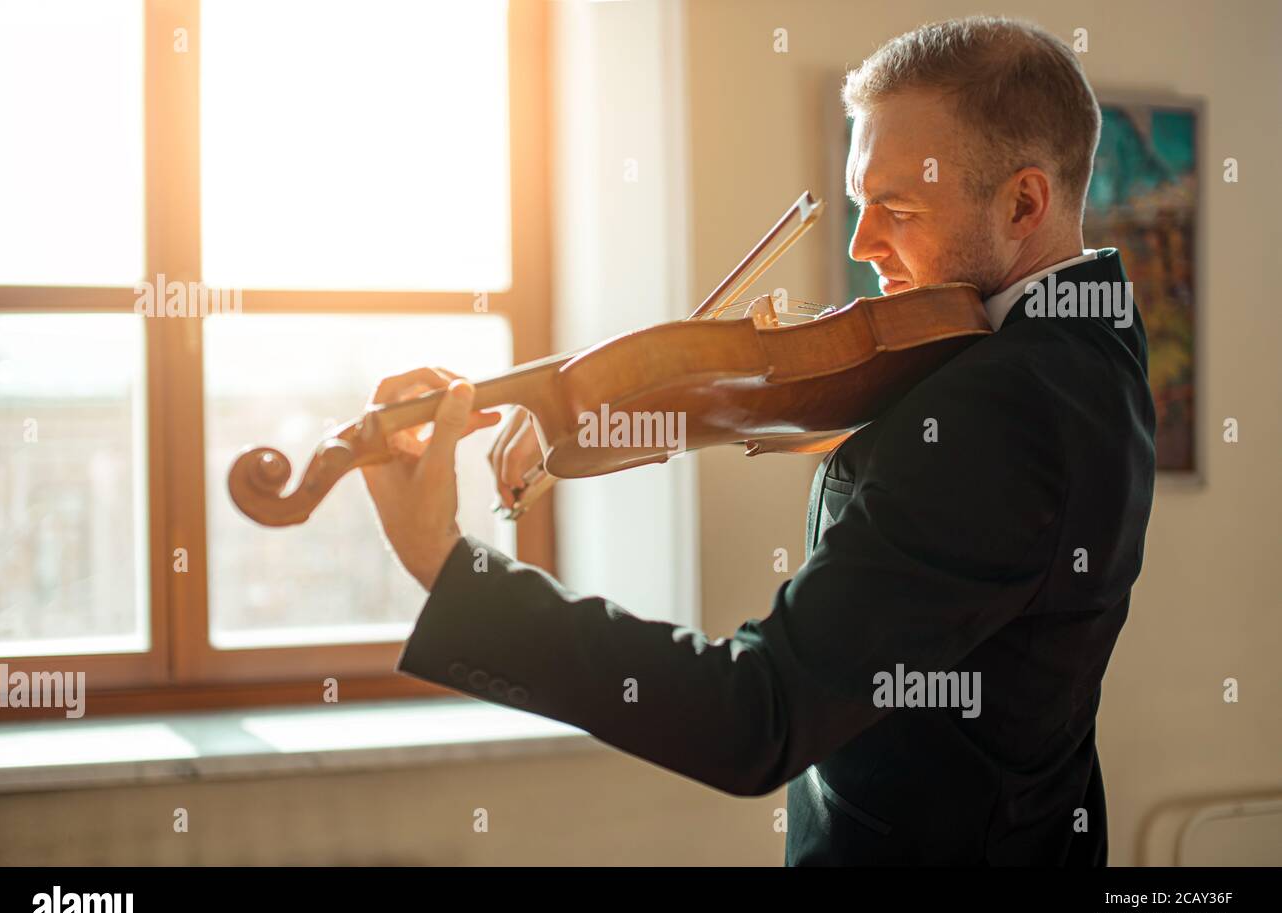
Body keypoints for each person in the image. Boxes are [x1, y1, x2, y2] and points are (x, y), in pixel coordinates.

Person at [361, 15, 1156, 865]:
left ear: (1024, 202)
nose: (861, 246)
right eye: (858, 204)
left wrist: (449, 567)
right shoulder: (1088, 340)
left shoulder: (1005, 407)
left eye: (897, 208)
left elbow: (759, 715)